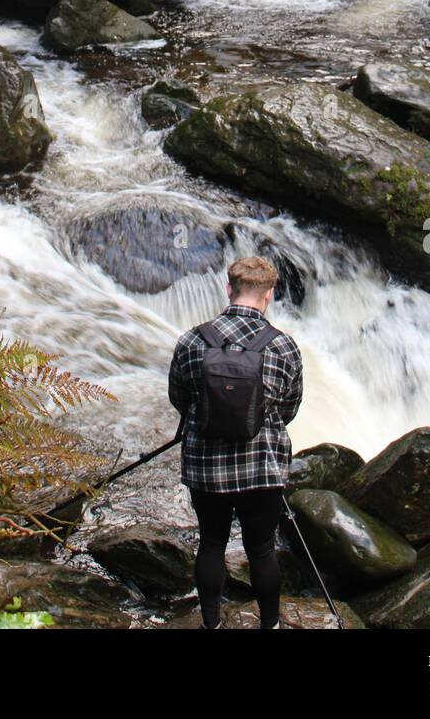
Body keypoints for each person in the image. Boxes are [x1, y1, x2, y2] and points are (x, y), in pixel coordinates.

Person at [168, 254, 303, 630]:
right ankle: (270, 624)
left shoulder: (193, 340)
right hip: (262, 467)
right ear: (269, 295)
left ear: (229, 289)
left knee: (211, 542)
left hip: (206, 466)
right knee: (261, 550)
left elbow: (179, 397)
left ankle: (211, 623)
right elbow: (290, 407)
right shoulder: (283, 347)